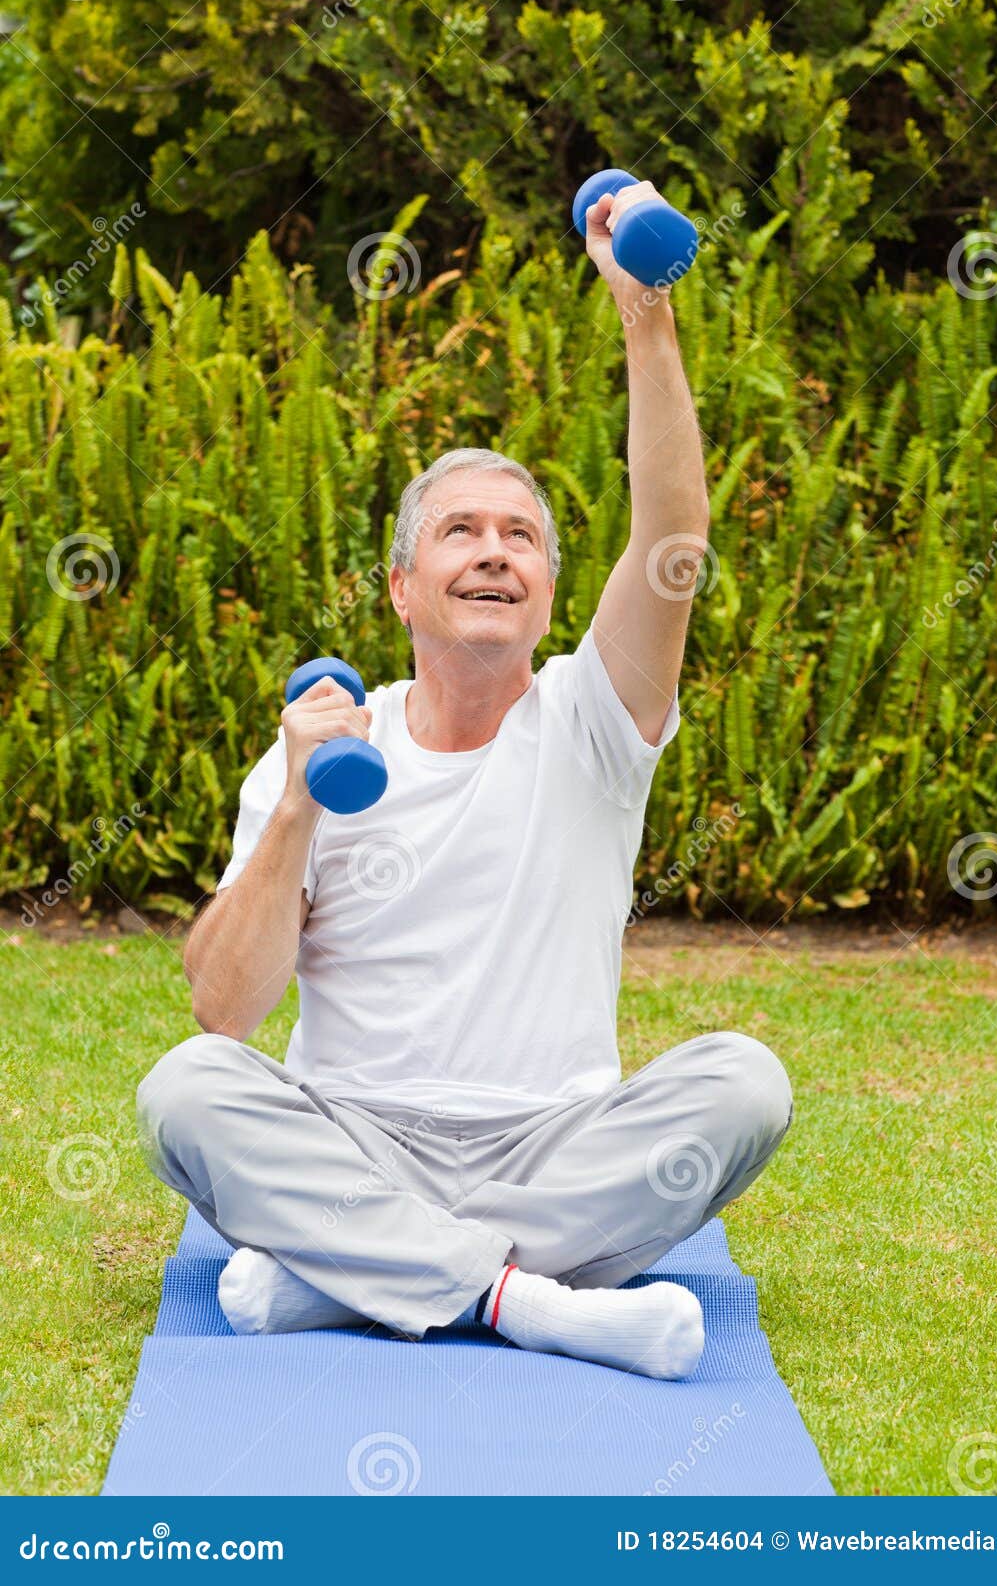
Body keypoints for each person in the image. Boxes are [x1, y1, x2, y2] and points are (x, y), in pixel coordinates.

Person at [135, 182, 793, 1381]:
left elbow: (673, 533)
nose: (493, 549)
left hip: (557, 1145)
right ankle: (526, 1300)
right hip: (355, 1138)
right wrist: (294, 803)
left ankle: (351, 1279)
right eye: (459, 531)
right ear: (400, 588)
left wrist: (645, 317)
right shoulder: (321, 754)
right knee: (187, 1090)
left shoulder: (594, 719)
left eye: (520, 536)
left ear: (546, 592)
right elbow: (225, 1010)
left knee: (742, 1084)